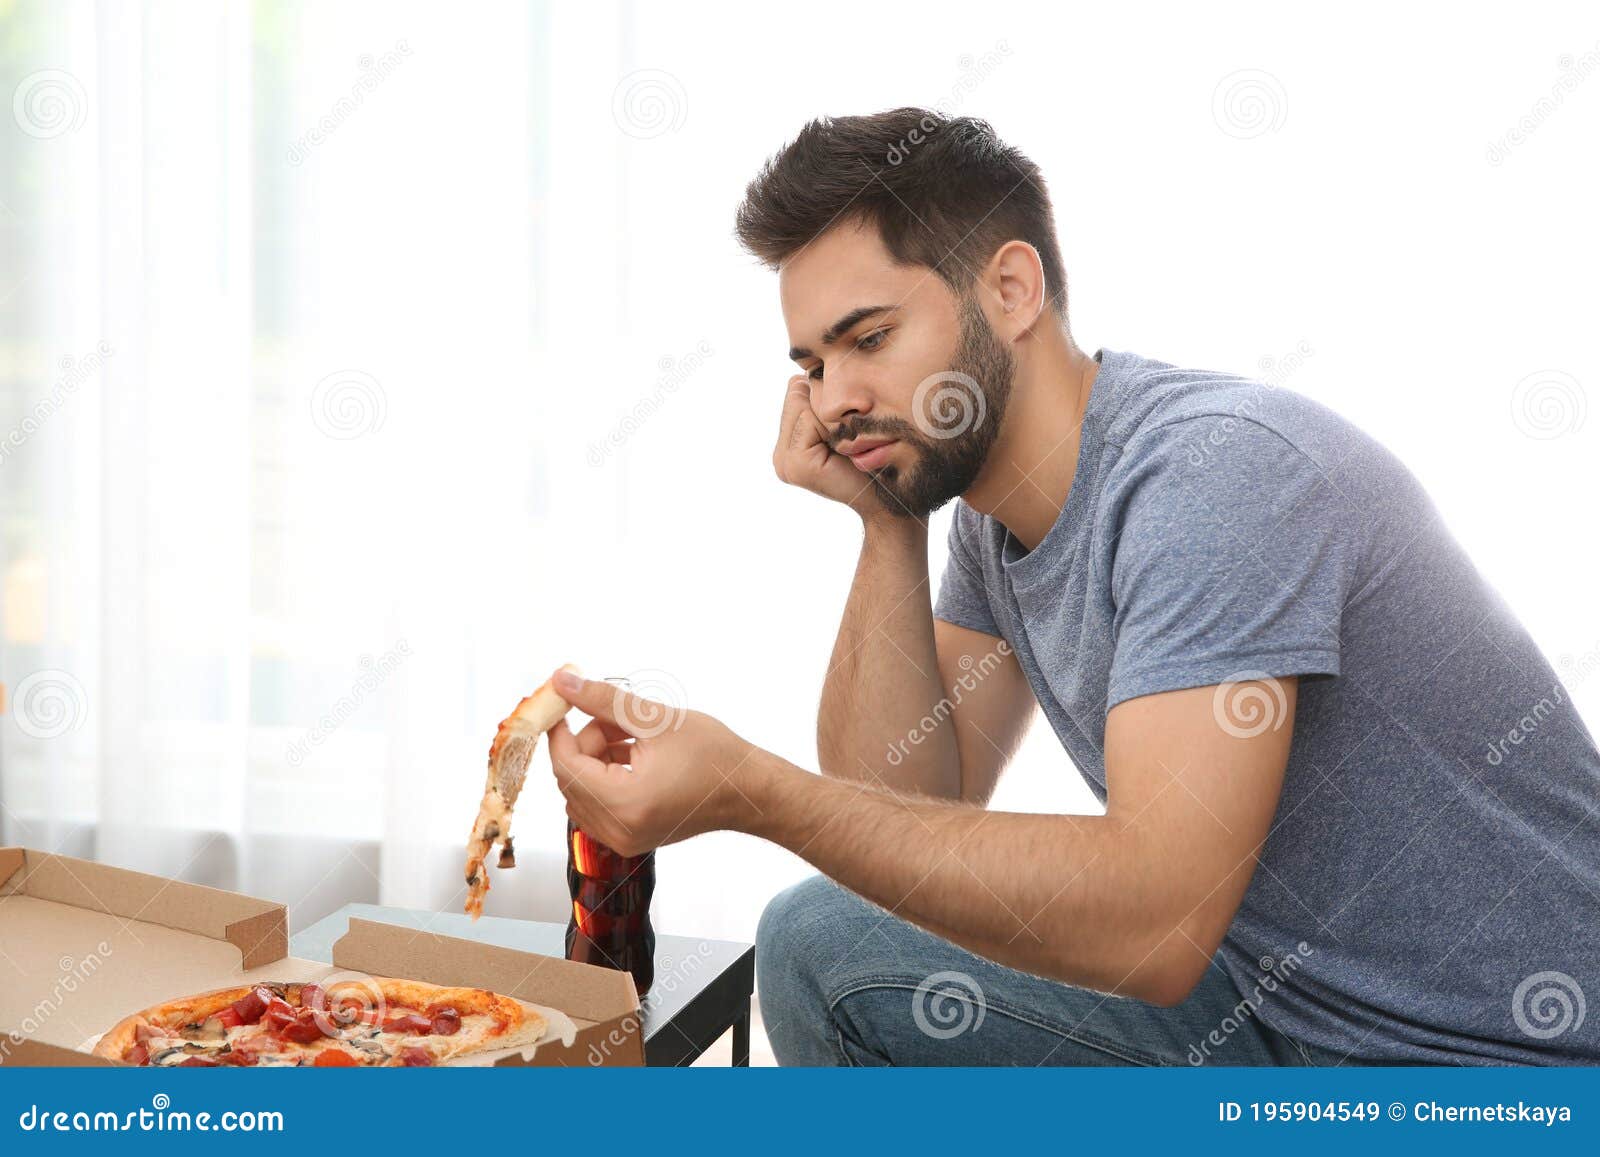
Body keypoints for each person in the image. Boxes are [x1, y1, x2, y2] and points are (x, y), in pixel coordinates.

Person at [547, 108, 1600, 1066]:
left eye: (868, 339)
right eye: (814, 363)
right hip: (1281, 1016)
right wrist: (885, 524)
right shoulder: (993, 517)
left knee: (824, 930)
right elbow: (904, 813)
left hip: (1493, 1071)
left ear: (1009, 290)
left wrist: (752, 790)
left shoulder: (1210, 474)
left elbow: (1155, 924)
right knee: (823, 936)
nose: (836, 401)